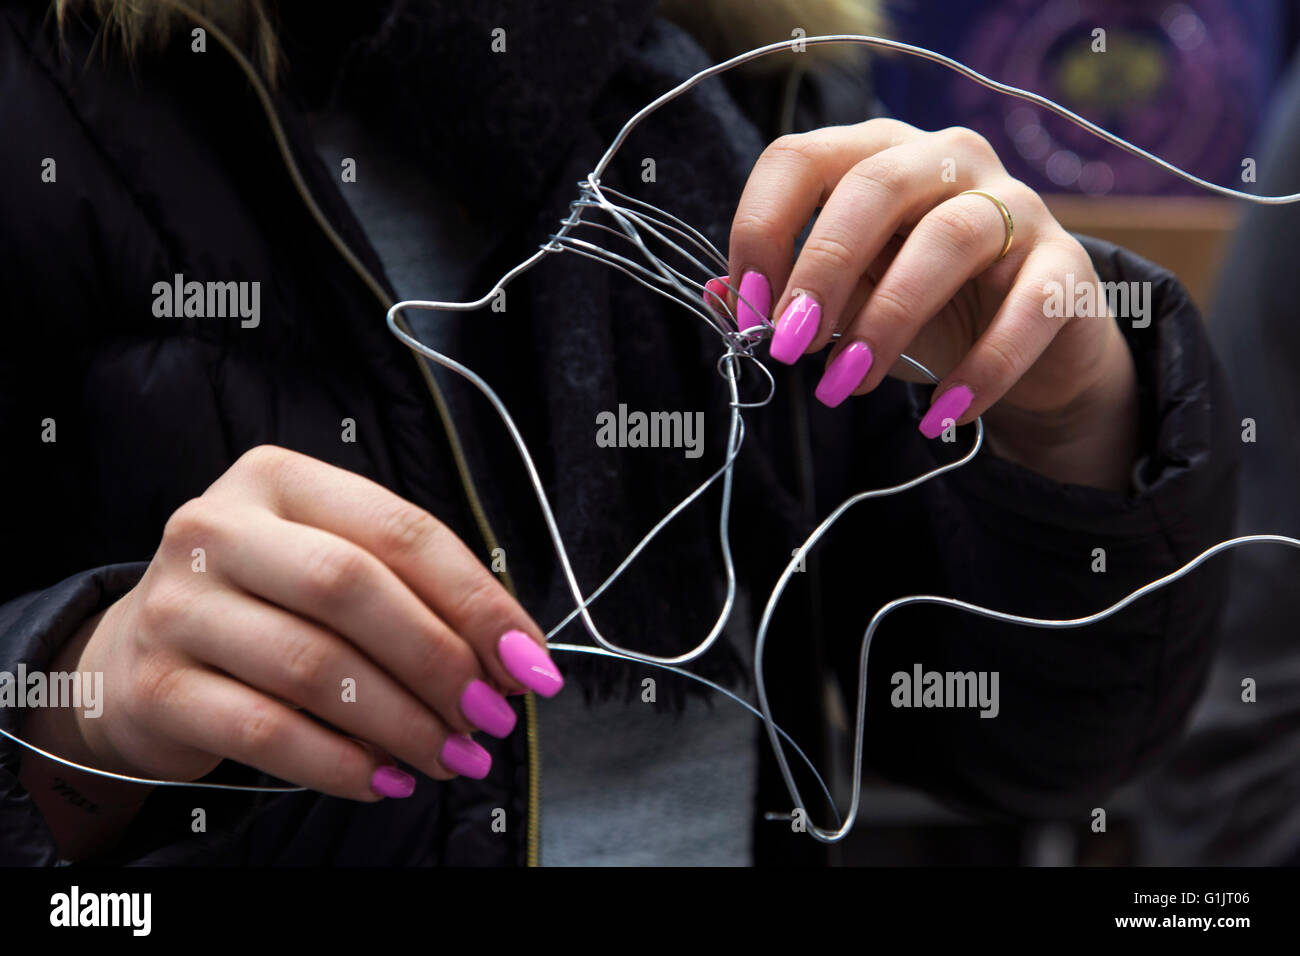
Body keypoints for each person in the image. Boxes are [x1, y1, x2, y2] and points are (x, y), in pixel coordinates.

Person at [0, 0, 1236, 866]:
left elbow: (1030, 745)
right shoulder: (46, 90)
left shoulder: (747, 86)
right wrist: (66, 709)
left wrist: (1076, 428)